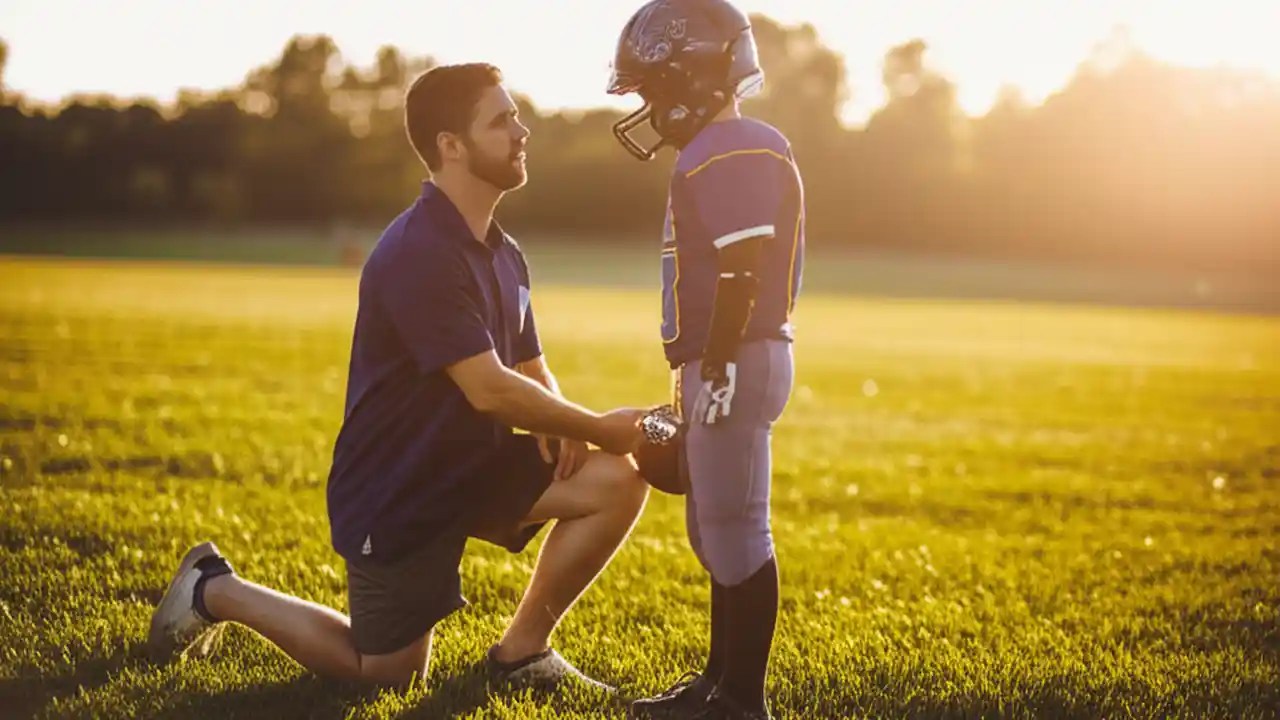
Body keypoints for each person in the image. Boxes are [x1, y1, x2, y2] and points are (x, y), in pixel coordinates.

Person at [148, 63, 652, 692]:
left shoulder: (505, 251)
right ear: (451, 145)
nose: (522, 131)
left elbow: (529, 365)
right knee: (385, 677)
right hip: (401, 487)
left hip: (474, 465)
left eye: (516, 116)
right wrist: (601, 424)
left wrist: (567, 424)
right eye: (502, 121)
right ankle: (215, 589)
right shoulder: (421, 250)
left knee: (617, 481)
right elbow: (489, 387)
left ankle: (520, 653)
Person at [606, 2, 805, 718]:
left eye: (654, 87)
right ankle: (718, 684)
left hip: (738, 353)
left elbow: (741, 267)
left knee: (736, 526)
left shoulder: (736, 144)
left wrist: (718, 362)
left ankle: (741, 701)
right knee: (713, 524)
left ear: (690, 74)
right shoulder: (717, 149)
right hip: (723, 355)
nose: (650, 106)